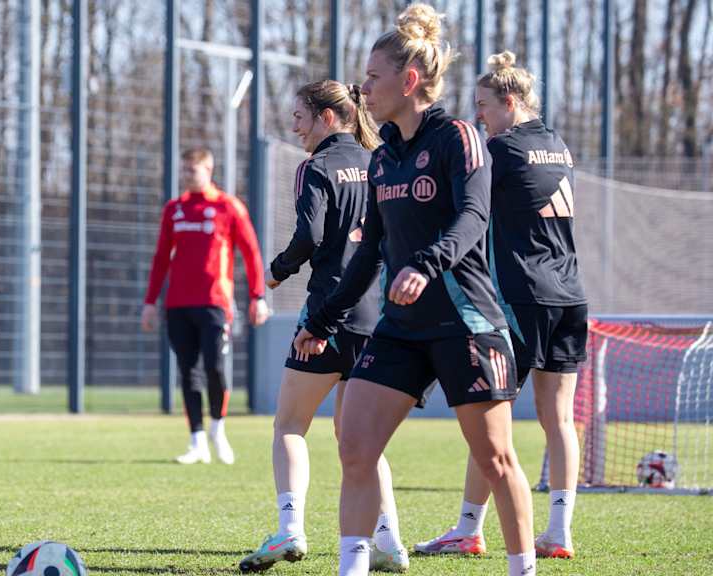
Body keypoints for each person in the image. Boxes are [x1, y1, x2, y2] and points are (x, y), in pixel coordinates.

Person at [292, 5, 536, 576]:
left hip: (466, 320)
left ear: (408, 81)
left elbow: (475, 215)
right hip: (401, 329)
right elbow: (368, 253)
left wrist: (426, 264)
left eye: (372, 78)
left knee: (495, 458)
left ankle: (523, 567)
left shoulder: (459, 137)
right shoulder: (383, 161)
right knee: (354, 446)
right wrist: (321, 319)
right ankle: (351, 568)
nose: (362, 89)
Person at [414, 50, 587, 561]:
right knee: (559, 418)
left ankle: (468, 528)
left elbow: (467, 208)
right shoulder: (558, 145)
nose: (478, 117)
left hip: (520, 296)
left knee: (489, 414)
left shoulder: (503, 151)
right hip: (571, 294)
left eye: (483, 105)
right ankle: (559, 531)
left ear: (509, 102)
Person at [239, 80, 409, 573]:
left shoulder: (316, 167)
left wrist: (277, 269)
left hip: (327, 318)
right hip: (375, 317)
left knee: (290, 424)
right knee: (360, 439)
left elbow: (309, 235)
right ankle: (390, 540)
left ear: (328, 117)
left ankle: (291, 530)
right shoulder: (382, 163)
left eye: (299, 116)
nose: (293, 126)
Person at [142, 148, 269, 465]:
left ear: (209, 169)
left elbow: (251, 253)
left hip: (215, 303)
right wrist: (150, 302)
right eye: (184, 170)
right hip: (178, 304)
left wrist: (258, 296)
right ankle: (196, 439)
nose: (187, 175)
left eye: (193, 170)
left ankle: (218, 428)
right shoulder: (174, 210)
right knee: (188, 371)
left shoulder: (228, 207)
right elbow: (160, 259)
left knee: (214, 367)